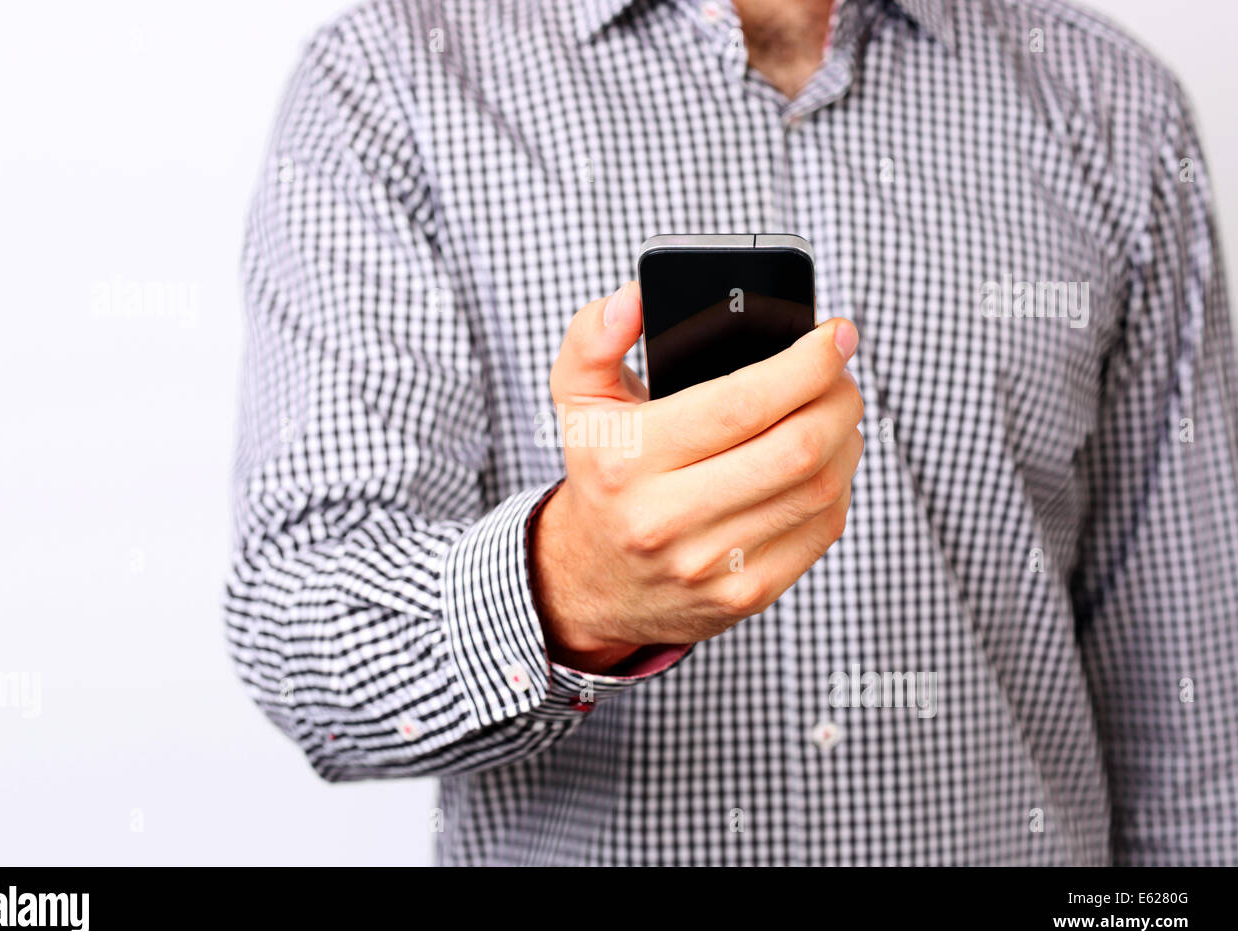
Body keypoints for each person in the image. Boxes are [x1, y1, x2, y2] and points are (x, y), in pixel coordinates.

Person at [225, 0, 1238, 865]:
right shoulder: (394, 78)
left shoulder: (1115, 110)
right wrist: (567, 583)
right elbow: (300, 634)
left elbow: (1197, 713)